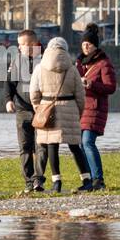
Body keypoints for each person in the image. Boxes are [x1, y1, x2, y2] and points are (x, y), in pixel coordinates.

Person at [28, 36, 93, 193]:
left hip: (47, 106)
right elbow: (80, 94)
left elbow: (33, 92)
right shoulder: (71, 68)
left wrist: (38, 107)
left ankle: (56, 182)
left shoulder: (40, 67)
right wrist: (77, 112)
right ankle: (86, 179)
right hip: (69, 106)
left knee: (51, 145)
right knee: (75, 146)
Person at [75, 22, 116, 190]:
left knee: (88, 142)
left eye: (89, 44)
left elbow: (111, 87)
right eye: (84, 44)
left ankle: (98, 179)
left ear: (95, 45)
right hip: (81, 108)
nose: (85, 47)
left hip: (95, 108)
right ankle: (89, 180)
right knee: (81, 144)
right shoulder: (79, 63)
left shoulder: (104, 63)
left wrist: (90, 84)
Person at [4, 29, 44, 192]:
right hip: (22, 110)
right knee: (25, 147)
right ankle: (28, 181)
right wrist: (8, 100)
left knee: (41, 146)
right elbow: (9, 83)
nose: (19, 48)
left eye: (23, 45)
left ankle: (38, 180)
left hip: (42, 110)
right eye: (19, 45)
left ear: (33, 44)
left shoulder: (44, 61)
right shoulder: (16, 61)